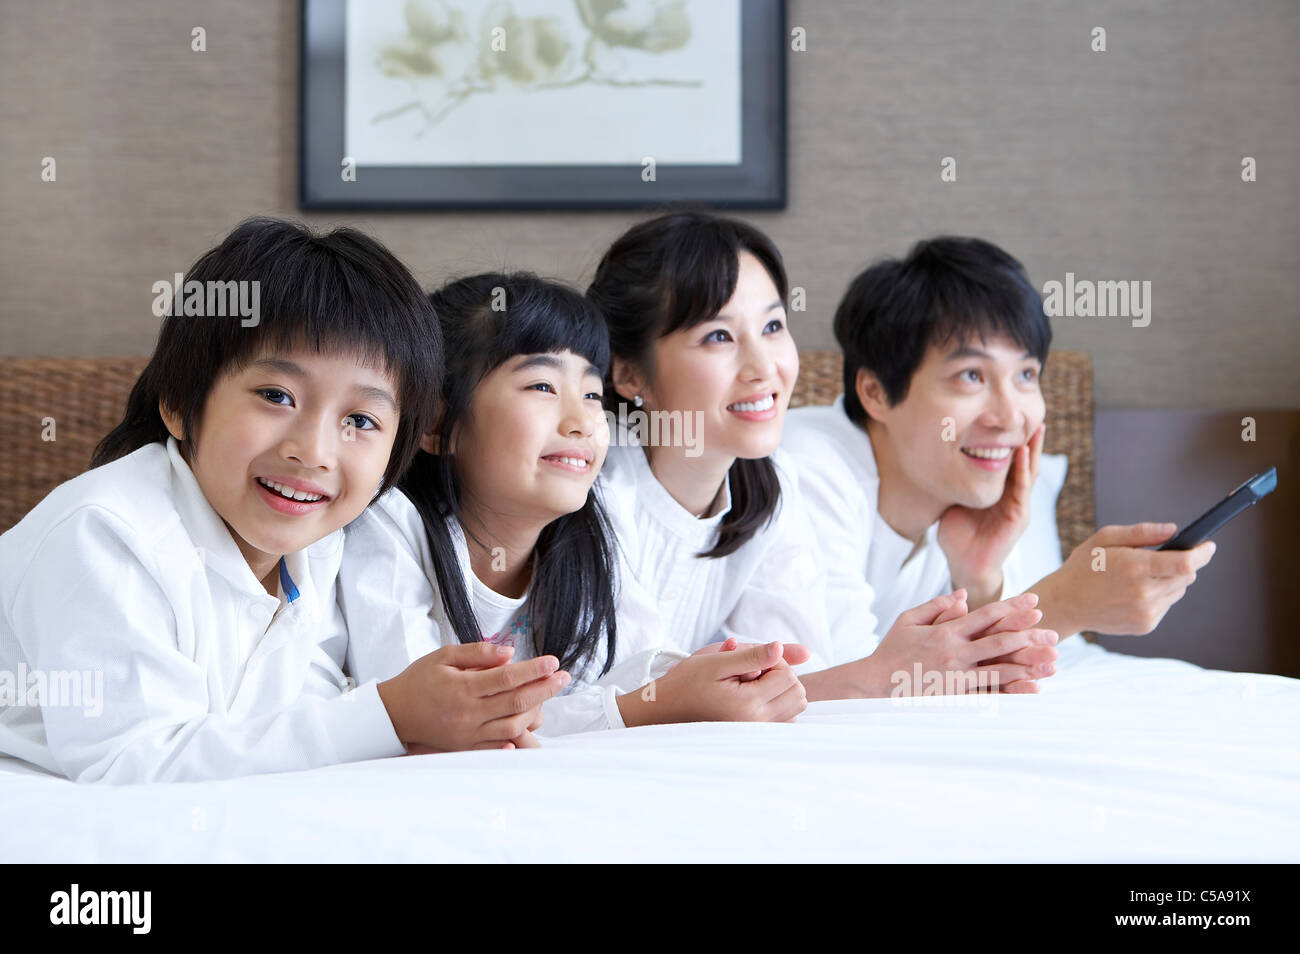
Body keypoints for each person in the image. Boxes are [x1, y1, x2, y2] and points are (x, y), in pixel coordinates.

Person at [588, 212, 1055, 699]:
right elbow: (609, 697)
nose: (763, 366)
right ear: (629, 374)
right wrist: (889, 675)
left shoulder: (767, 486)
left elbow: (792, 675)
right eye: (719, 336)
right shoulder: (596, 492)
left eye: (772, 326)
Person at [340, 271, 808, 738]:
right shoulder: (389, 525)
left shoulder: (586, 533)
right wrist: (647, 707)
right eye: (542, 387)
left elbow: (635, 669)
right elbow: (428, 723)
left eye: (591, 393)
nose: (582, 420)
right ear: (439, 424)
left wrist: (708, 676)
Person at [783, 235, 1214, 688]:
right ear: (875, 393)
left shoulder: (952, 489)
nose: (1010, 416)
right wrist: (1065, 602)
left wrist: (981, 577)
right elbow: (842, 687)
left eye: (1026, 375)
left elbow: (976, 676)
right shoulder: (803, 471)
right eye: (971, 375)